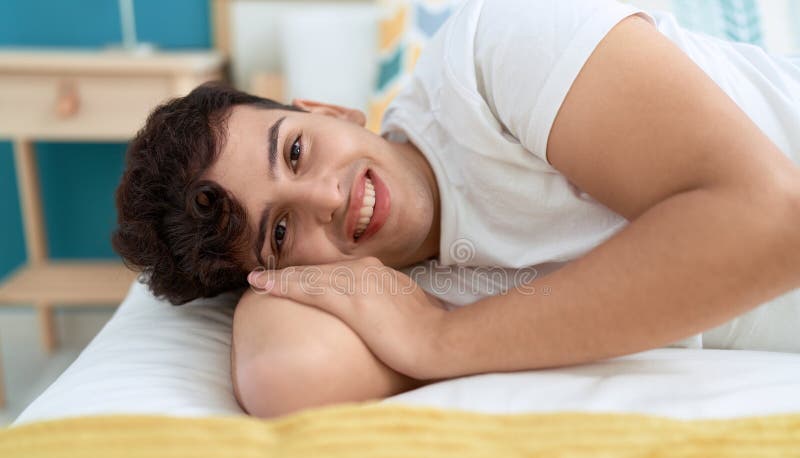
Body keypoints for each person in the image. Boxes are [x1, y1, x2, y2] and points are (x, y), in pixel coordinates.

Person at [112, 0, 800, 418]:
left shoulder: (490, 54)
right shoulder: (394, 296)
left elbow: (776, 222)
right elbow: (285, 373)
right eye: (281, 232)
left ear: (328, 108)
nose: (329, 197)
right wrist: (260, 291)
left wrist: (442, 341)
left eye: (295, 152)